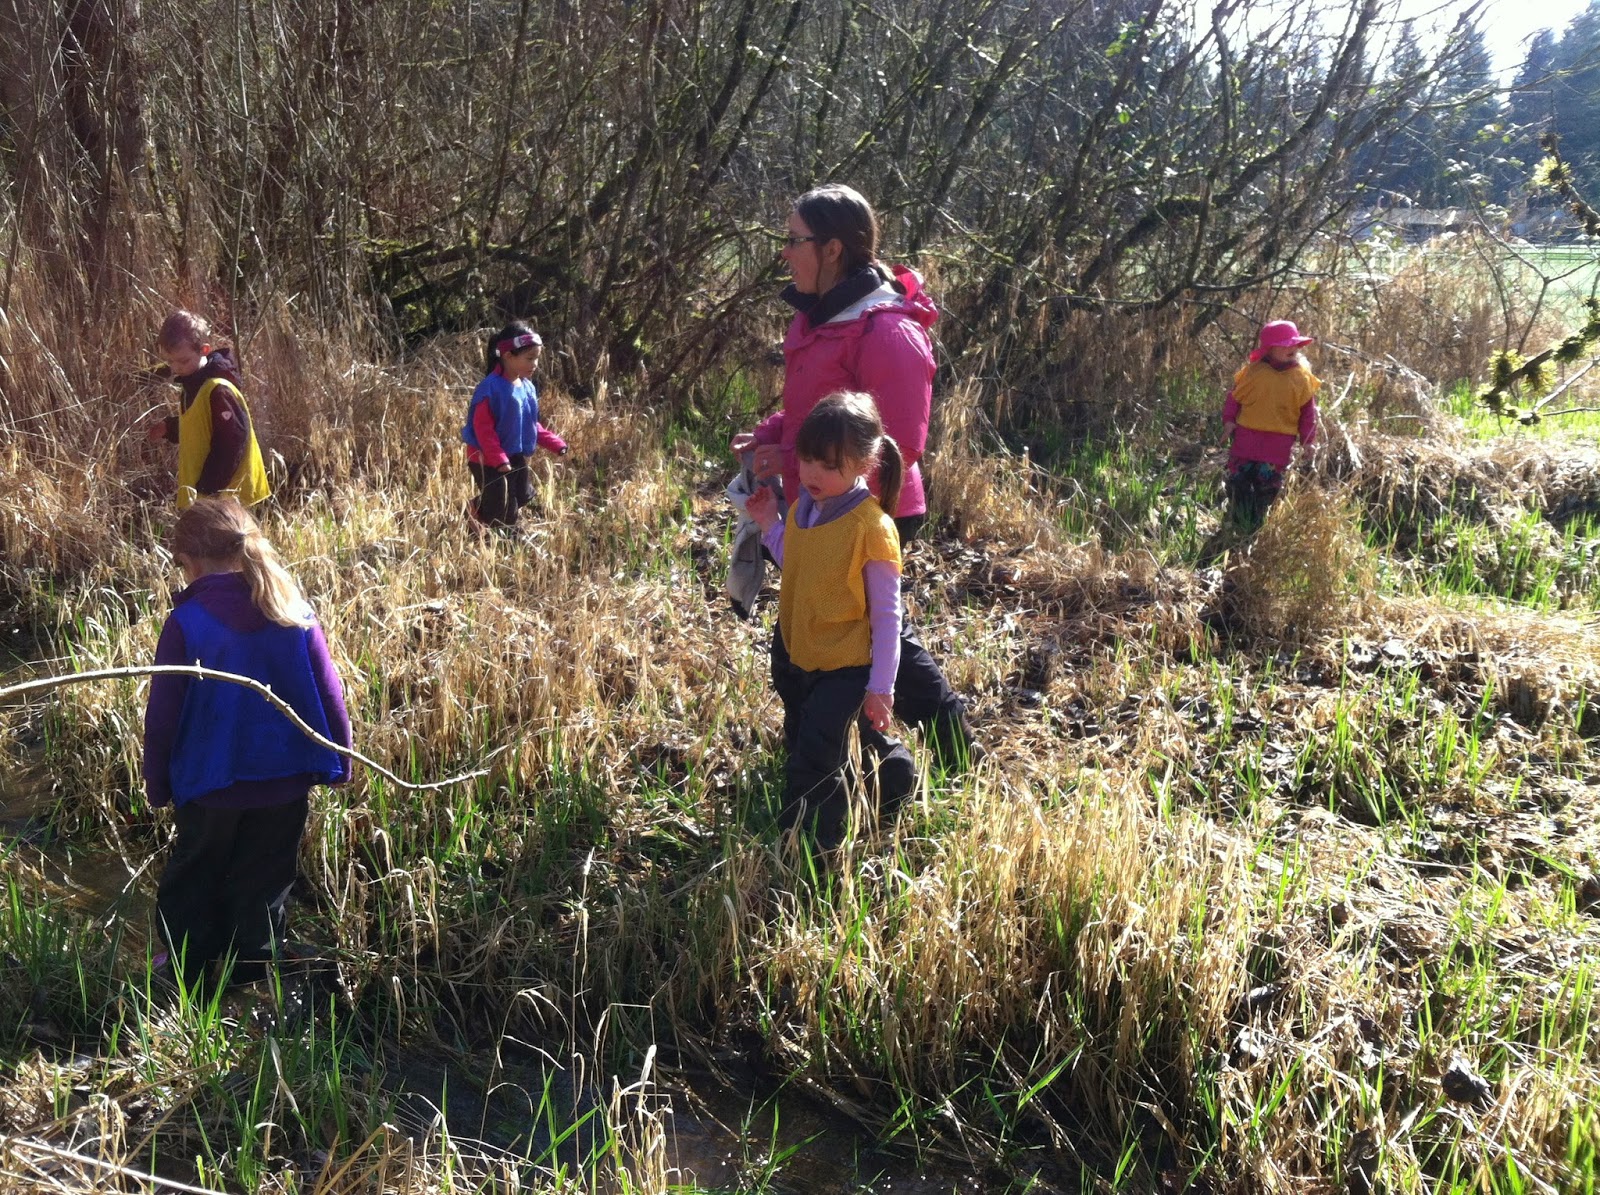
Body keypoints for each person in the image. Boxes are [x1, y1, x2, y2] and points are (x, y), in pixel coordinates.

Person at [731, 184, 975, 769]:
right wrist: (770, 436)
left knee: (870, 633)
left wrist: (795, 462)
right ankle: (828, 751)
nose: (785, 252)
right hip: (814, 502)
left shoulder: (886, 332)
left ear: (833, 248)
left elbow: (899, 446)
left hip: (874, 509)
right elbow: (812, 410)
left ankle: (942, 752)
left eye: (795, 240)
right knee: (819, 623)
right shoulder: (821, 317)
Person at [142, 497, 351, 990]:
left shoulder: (187, 622)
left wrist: (157, 783)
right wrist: (340, 760)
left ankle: (186, 979)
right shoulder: (293, 611)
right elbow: (330, 693)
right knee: (265, 883)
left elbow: (163, 714)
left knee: (193, 879)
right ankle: (250, 979)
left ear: (188, 562)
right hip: (285, 785)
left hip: (210, 786)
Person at [745, 393, 917, 850]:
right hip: (799, 654)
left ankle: (809, 846)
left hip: (845, 668)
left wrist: (881, 687)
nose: (812, 474)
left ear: (864, 464)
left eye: (829, 465)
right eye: (806, 460)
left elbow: (887, 617)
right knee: (821, 733)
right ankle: (895, 778)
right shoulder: (804, 508)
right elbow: (800, 563)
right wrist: (769, 523)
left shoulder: (871, 529)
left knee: (816, 759)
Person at [146, 311, 271, 510]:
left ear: (204, 349)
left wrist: (208, 491)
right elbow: (201, 428)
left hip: (229, 500)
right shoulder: (192, 386)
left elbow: (232, 441)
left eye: (183, 361)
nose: (176, 368)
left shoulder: (218, 389)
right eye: (170, 361)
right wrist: (169, 428)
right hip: (207, 497)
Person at [460, 321, 568, 528]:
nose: (535, 364)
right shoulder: (490, 389)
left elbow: (530, 424)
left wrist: (555, 443)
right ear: (508, 355)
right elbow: (484, 431)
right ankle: (507, 535)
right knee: (503, 505)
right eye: (529, 358)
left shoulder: (527, 387)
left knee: (522, 494)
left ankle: (477, 511)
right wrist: (498, 459)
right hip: (485, 457)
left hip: (513, 453)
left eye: (536, 358)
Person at [1222, 320, 1321, 528]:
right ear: (1269, 349)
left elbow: (1308, 414)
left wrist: (1308, 441)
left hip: (1277, 445)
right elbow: (1234, 398)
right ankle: (1236, 517)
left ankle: (1256, 523)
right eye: (1285, 344)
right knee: (1238, 480)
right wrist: (1229, 421)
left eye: (1295, 344)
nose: (1292, 348)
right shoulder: (1254, 372)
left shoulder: (1301, 378)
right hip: (1246, 439)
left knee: (1267, 486)